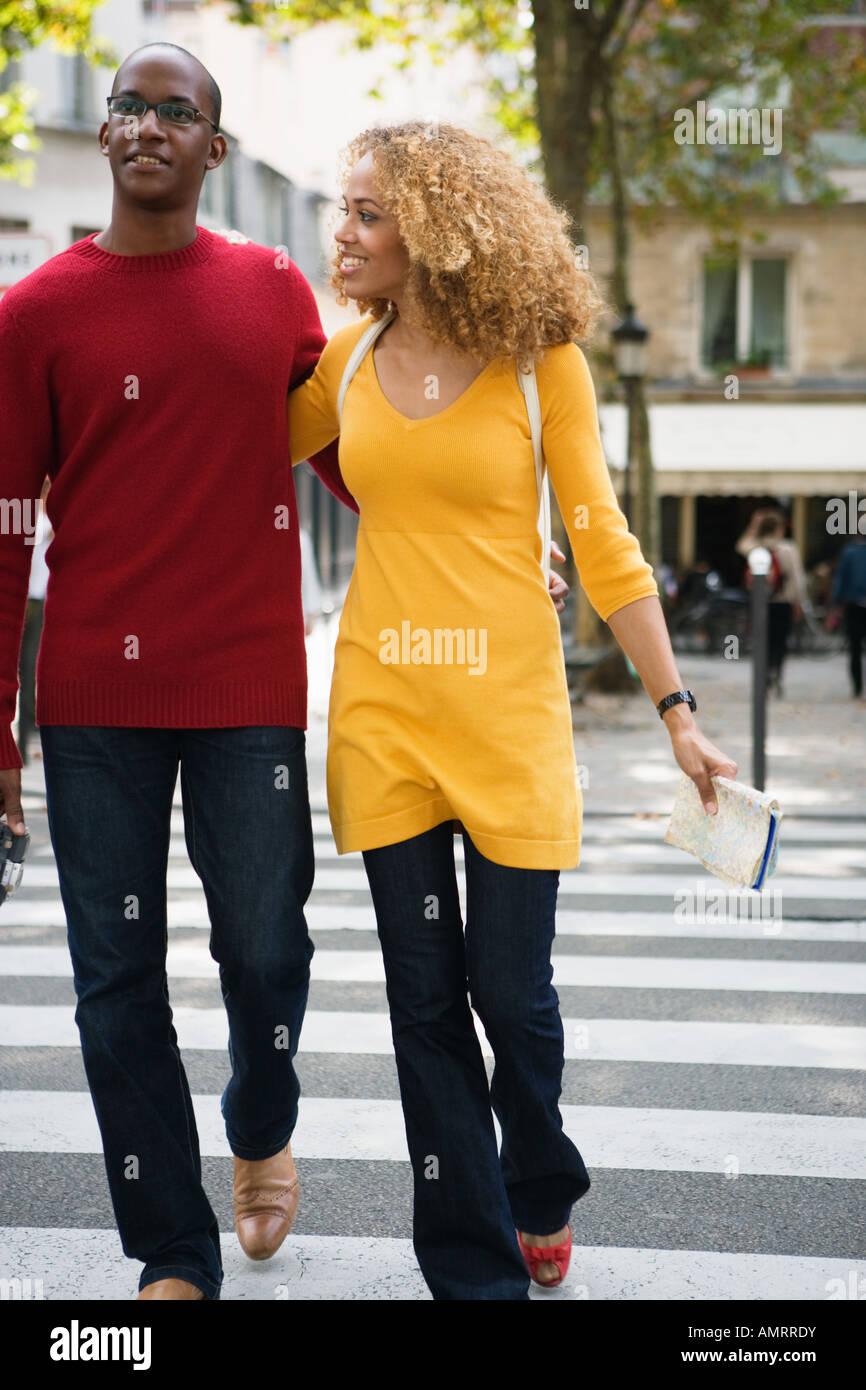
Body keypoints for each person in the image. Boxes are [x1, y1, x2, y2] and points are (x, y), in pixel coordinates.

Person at [287, 121, 738, 1300]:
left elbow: (601, 542)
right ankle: (470, 1269)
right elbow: (216, 444)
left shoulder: (544, 368)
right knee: (423, 1005)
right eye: (341, 208)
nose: (344, 231)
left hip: (509, 720)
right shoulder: (339, 367)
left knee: (509, 994)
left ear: (433, 228)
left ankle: (538, 1174)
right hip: (379, 714)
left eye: (367, 212)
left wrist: (676, 710)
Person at [0, 43, 364, 1301]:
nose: (150, 124)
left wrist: (484, 529)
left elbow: (346, 459)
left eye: (180, 110)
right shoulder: (33, 314)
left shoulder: (273, 290)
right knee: (116, 979)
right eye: (129, 106)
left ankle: (260, 1120)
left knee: (264, 948)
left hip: (248, 689)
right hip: (95, 700)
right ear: (104, 136)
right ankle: (169, 1247)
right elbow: (5, 528)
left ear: (215, 148)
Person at [736, 509, 808, 696]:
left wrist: (753, 526)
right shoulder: (788, 549)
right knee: (780, 640)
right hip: (782, 602)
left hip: (760, 602)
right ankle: (777, 671)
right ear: (778, 529)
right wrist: (797, 602)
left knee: (762, 640)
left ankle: (765, 673)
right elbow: (796, 578)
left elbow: (740, 545)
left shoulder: (755, 547)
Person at [16, 479, 52, 764]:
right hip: (26, 600)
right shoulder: (30, 515)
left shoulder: (48, 518)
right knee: (23, 673)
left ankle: (23, 745)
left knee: (28, 673)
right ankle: (19, 743)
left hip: (37, 602)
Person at [828, 535, 866, 699]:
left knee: (855, 647)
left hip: (854, 604)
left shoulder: (850, 551)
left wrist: (836, 603)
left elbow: (841, 580)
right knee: (855, 646)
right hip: (854, 604)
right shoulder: (850, 551)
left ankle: (858, 686)